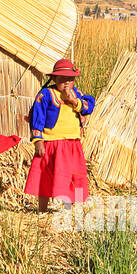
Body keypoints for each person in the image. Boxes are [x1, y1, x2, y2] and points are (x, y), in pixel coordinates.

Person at [24, 58, 95, 212]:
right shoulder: (46, 94)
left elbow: (89, 106)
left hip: (72, 144)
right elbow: (37, 117)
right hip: (51, 143)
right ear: (54, 79)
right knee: (45, 175)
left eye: (70, 79)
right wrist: (38, 140)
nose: (66, 83)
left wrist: (74, 101)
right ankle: (42, 209)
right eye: (62, 79)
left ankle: (71, 208)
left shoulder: (77, 95)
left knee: (73, 175)